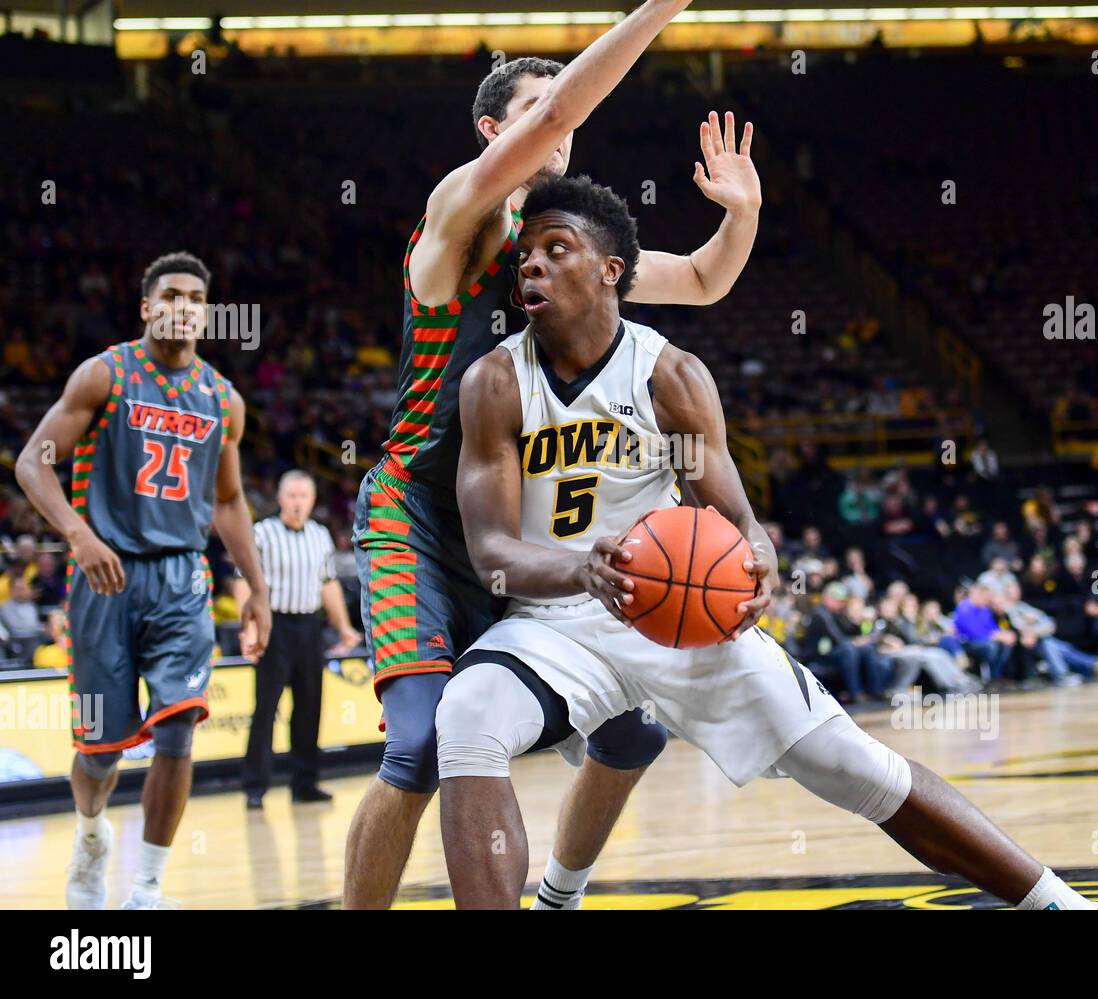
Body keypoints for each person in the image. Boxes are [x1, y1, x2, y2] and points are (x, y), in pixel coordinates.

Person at [434, 175, 1098, 910]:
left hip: (676, 613)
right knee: (467, 713)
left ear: (610, 269)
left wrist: (759, 556)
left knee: (853, 764)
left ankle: (1060, 904)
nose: (531, 264)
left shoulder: (669, 375)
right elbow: (493, 548)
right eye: (525, 253)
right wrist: (581, 570)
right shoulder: (494, 381)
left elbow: (737, 521)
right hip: (557, 619)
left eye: (556, 249)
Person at [345, 0, 766, 910]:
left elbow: (702, 278)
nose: (562, 126)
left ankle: (559, 896)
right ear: (499, 129)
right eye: (541, 109)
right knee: (418, 748)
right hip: (417, 519)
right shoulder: (459, 212)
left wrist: (744, 212)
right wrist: (657, 9)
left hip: (519, 526)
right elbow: (562, 115)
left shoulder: (568, 252)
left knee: (633, 736)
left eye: (559, 114)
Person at [14, 251, 272, 909]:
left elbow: (229, 501)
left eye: (195, 297)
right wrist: (79, 534)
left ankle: (148, 887)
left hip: (182, 579)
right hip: (104, 578)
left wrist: (257, 589)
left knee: (180, 726)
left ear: (207, 314)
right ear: (147, 307)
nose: (183, 305)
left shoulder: (223, 399)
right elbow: (32, 463)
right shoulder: (106, 374)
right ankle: (92, 833)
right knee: (99, 751)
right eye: (171, 294)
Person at [235, 470, 361, 808]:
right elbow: (242, 582)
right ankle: (255, 786)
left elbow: (328, 584)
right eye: (291, 495)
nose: (296, 502)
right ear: (280, 498)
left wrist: (344, 626)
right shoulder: (261, 533)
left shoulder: (320, 535)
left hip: (309, 627)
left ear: (312, 501)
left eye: (303, 496)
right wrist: (248, 627)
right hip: (273, 627)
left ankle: (305, 783)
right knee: (266, 709)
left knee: (309, 708)